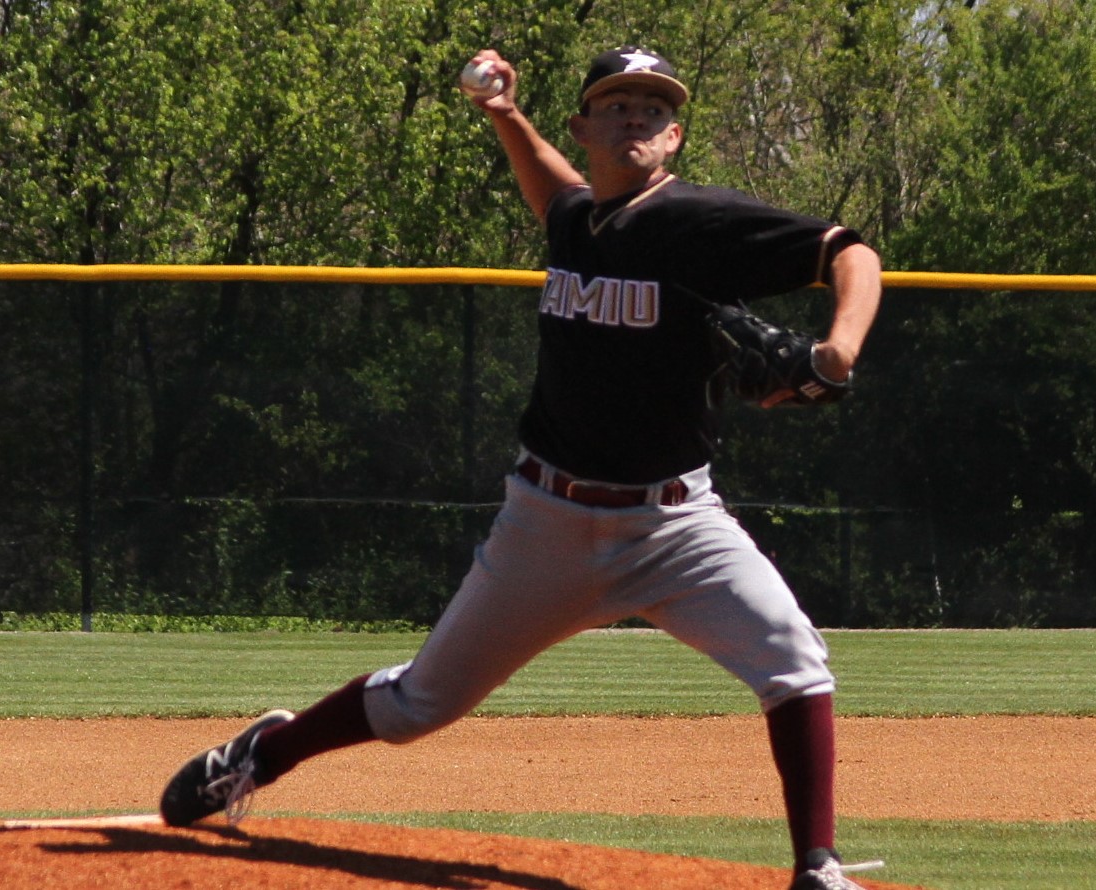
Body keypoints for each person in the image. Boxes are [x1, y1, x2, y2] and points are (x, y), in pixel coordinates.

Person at [161, 45, 885, 890]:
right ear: (585, 127)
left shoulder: (704, 223)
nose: (636, 116)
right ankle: (260, 753)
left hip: (677, 524)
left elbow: (851, 249)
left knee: (793, 659)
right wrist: (504, 115)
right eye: (616, 103)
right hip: (548, 522)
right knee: (415, 706)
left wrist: (837, 351)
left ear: (677, 134)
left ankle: (818, 869)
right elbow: (552, 188)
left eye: (653, 107)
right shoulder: (577, 218)